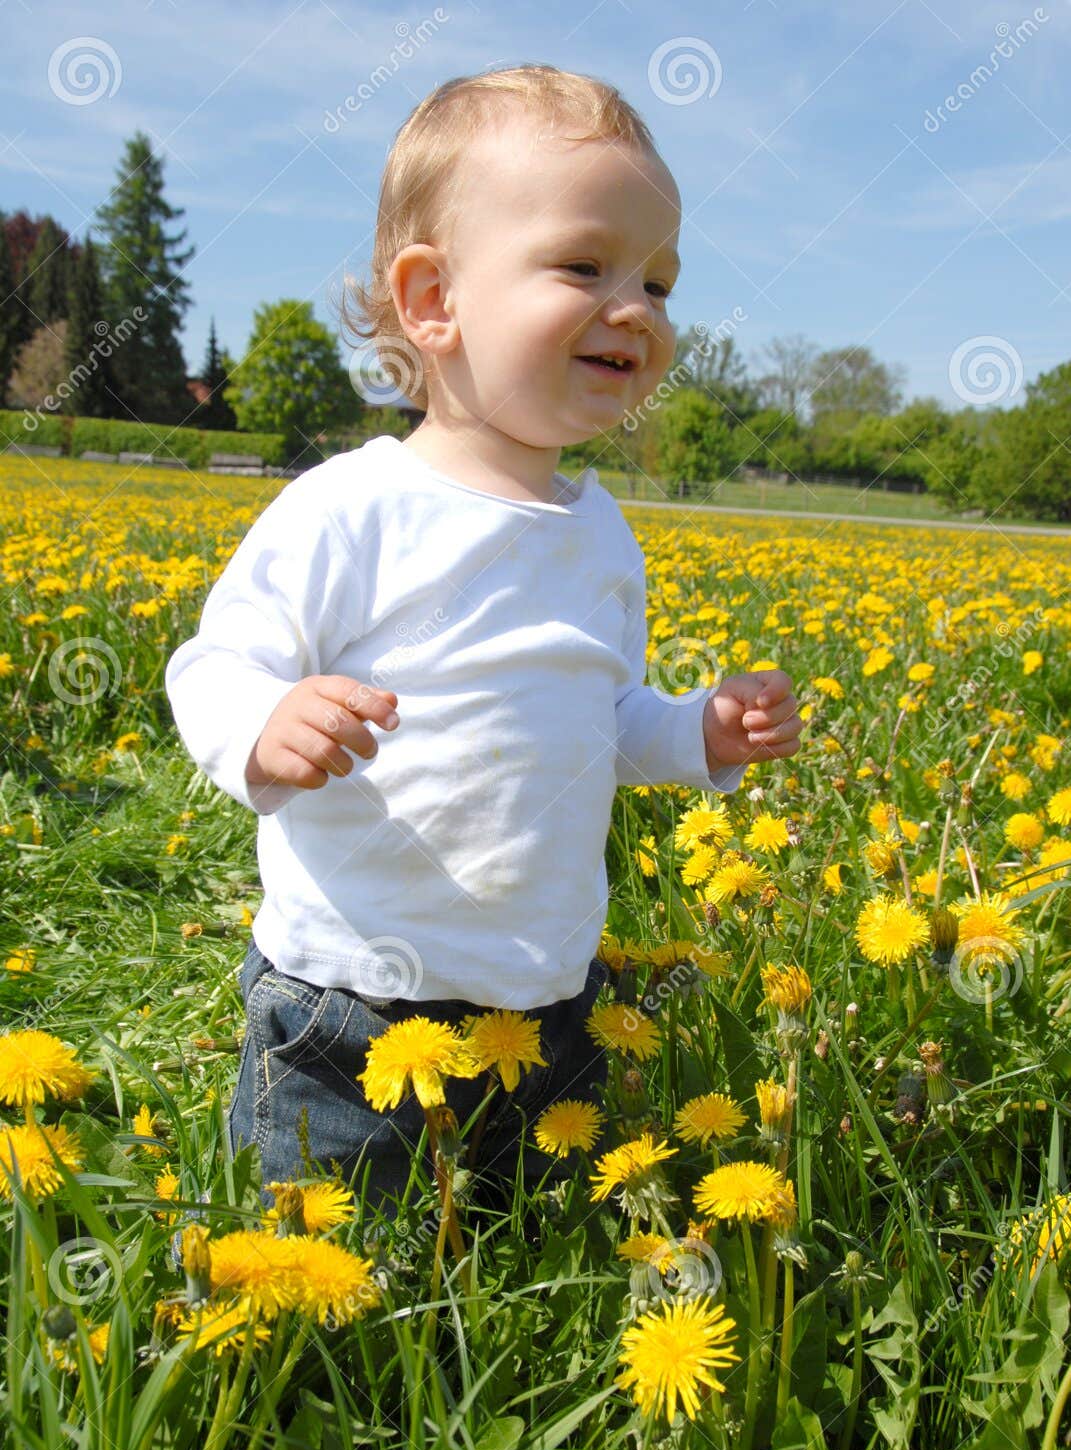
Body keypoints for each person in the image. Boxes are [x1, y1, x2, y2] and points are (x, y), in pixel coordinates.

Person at [164, 64, 804, 1218]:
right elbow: (212, 664)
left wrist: (696, 728)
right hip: (349, 1005)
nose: (640, 309)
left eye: (659, 280)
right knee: (332, 1273)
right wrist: (265, 723)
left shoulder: (601, 536)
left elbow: (603, 721)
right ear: (431, 300)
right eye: (586, 265)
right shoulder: (349, 507)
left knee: (525, 1244)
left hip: (542, 1003)